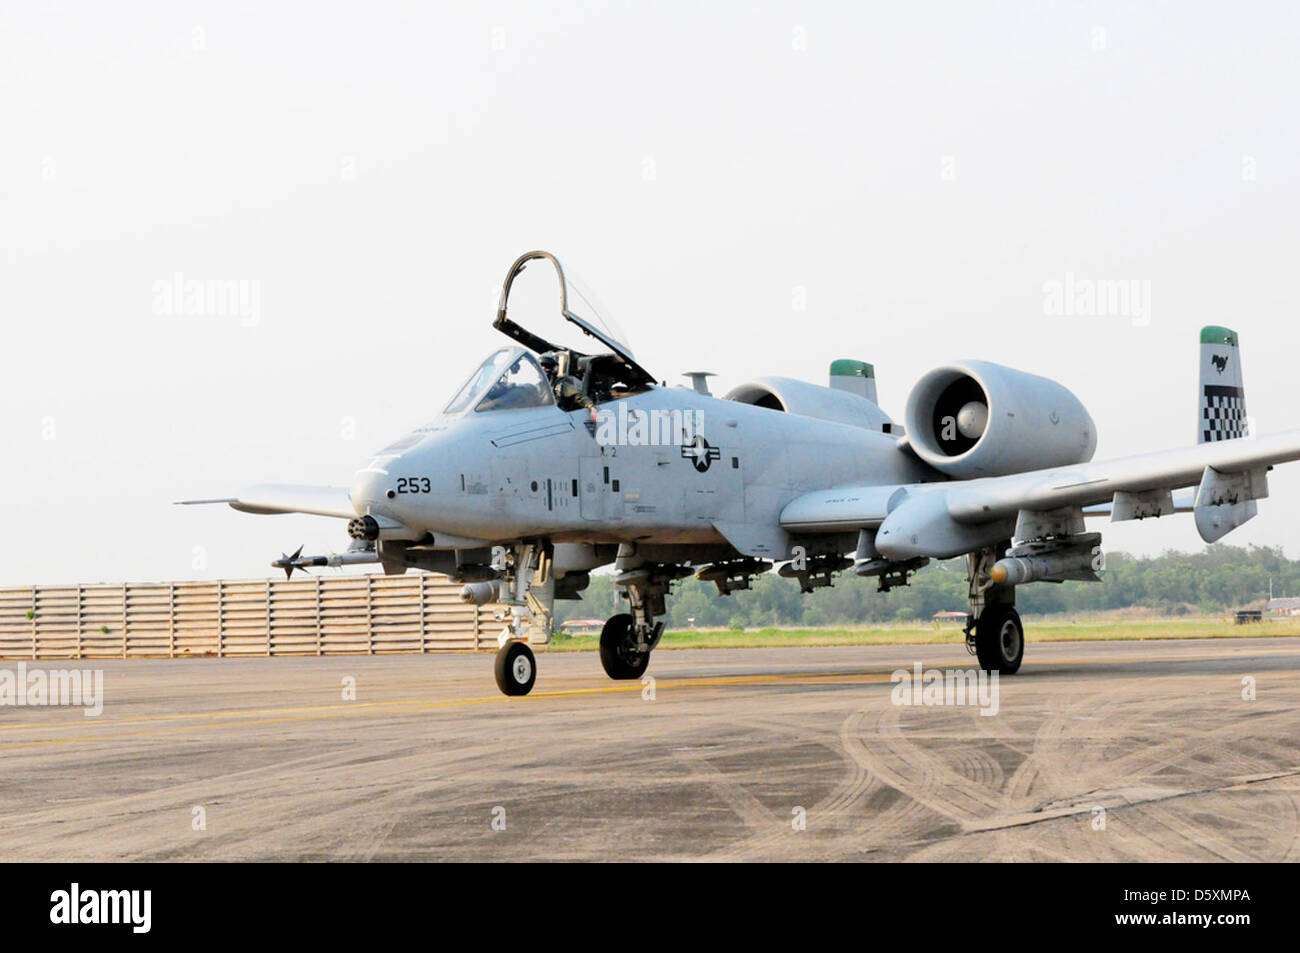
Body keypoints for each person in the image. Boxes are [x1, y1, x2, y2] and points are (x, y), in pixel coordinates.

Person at [540, 352, 598, 424]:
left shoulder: (560, 385)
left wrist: (591, 407)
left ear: (553, 368)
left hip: (559, 420)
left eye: (547, 366)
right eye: (541, 366)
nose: (543, 368)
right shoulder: (538, 386)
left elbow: (577, 395)